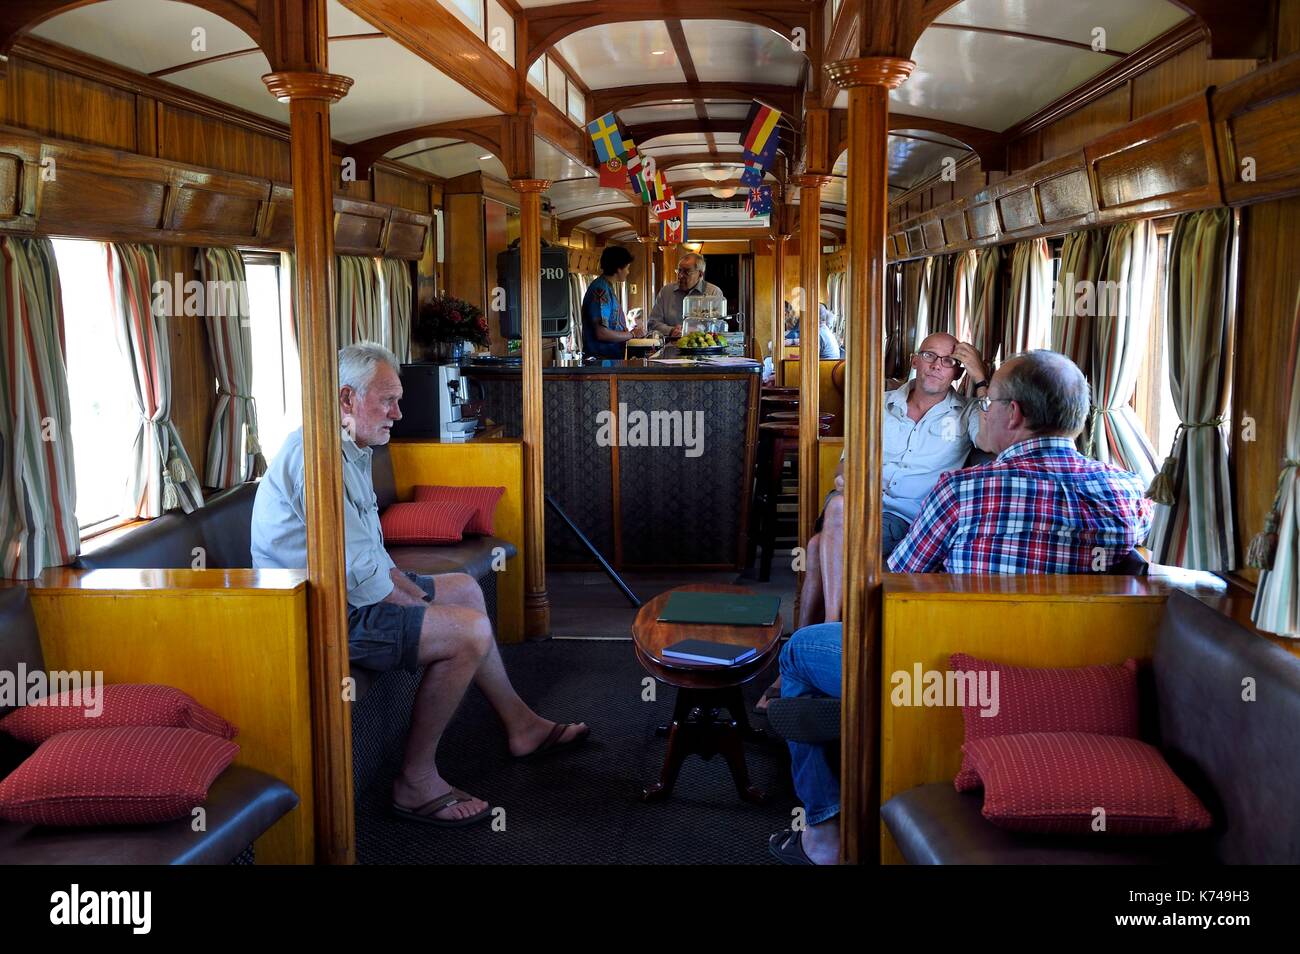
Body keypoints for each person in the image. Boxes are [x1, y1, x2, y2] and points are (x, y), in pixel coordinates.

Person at [767, 349, 1152, 865]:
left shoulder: (964, 492)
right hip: (1070, 689)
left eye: (988, 400)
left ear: (1013, 415)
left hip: (947, 682)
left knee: (800, 652)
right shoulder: (1128, 497)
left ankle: (825, 826)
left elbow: (891, 588)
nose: (984, 410)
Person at [251, 343, 588, 826]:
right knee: (467, 631)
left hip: (349, 593)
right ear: (346, 399)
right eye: (388, 400)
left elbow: (370, 553)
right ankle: (415, 780)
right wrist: (415, 607)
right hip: (318, 612)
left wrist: (414, 594)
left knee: (465, 591)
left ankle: (521, 725)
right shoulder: (317, 459)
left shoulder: (351, 446)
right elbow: (354, 579)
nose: (399, 413)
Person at [755, 332, 987, 711]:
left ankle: (799, 662)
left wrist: (980, 375)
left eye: (948, 362)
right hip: (857, 502)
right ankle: (831, 635)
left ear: (957, 372)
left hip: (907, 522)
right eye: (930, 356)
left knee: (815, 549)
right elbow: (847, 461)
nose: (937, 366)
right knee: (842, 505)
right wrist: (847, 477)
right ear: (915, 360)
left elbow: (996, 440)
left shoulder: (967, 415)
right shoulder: (879, 404)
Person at [581, 246, 643, 358]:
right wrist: (631, 334)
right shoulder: (600, 290)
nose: (628, 272)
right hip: (601, 361)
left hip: (611, 359)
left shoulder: (607, 287)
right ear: (619, 268)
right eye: (627, 268)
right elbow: (602, 333)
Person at [647, 252, 723, 336]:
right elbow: (652, 323)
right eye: (679, 270)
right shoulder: (666, 292)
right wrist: (671, 330)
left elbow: (717, 326)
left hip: (702, 346)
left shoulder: (713, 293)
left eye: (687, 272)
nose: (680, 276)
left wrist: (696, 331)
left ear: (700, 274)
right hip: (671, 345)